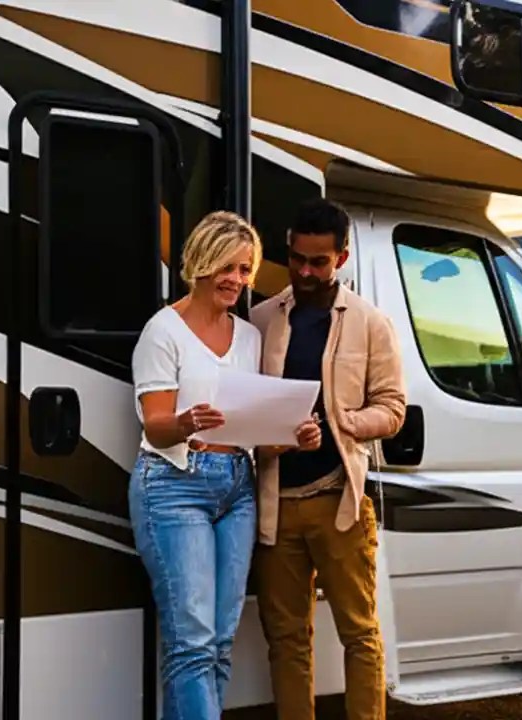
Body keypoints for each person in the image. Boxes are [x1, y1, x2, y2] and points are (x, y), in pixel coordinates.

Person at [129, 210, 321, 719]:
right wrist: (187, 421)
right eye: (228, 267)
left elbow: (255, 433)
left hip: (237, 487)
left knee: (216, 643)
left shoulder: (249, 337)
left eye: (245, 270)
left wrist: (294, 436)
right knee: (191, 641)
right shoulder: (162, 331)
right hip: (174, 483)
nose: (237, 280)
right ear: (200, 262)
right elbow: (154, 426)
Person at [250, 198, 406, 720]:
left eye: (318, 262)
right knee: (287, 641)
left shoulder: (370, 323)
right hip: (274, 507)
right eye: (297, 259)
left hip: (338, 501)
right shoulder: (262, 318)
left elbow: (393, 408)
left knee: (360, 634)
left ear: (341, 258)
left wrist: (343, 421)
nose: (305, 271)